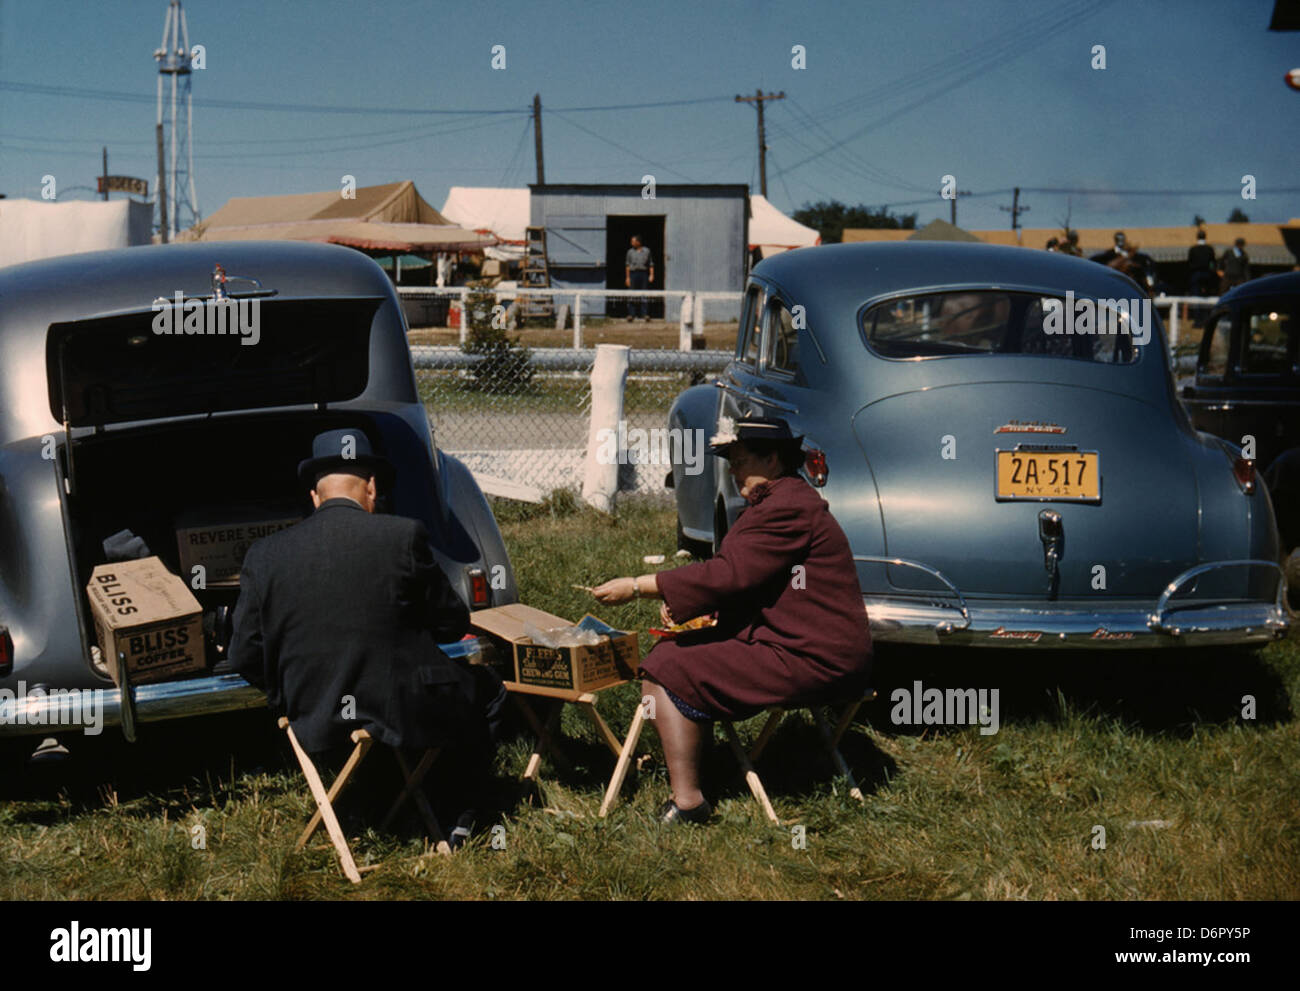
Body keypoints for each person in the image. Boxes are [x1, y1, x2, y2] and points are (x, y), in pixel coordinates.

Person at [591, 417, 872, 824]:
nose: (733, 470)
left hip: (813, 658)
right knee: (675, 651)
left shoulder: (787, 508)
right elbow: (755, 581)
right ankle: (703, 765)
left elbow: (729, 573)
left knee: (664, 667)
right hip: (807, 646)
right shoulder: (786, 500)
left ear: (772, 459)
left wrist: (638, 585)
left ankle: (689, 803)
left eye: (740, 461)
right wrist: (697, 608)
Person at [230, 428, 505, 840]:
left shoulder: (265, 554)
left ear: (315, 497)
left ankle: (377, 793)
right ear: (372, 487)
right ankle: (458, 810)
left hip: (315, 718)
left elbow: (244, 655)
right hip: (402, 711)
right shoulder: (402, 536)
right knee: (489, 689)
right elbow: (452, 623)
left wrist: (293, 692)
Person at [625, 234, 655, 321]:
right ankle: (631, 314)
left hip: (644, 274)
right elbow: (627, 265)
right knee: (631, 294)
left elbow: (651, 264)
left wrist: (651, 275)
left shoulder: (647, 251)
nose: (631, 243)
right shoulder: (630, 252)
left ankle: (645, 314)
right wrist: (627, 277)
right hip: (633, 274)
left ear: (638, 242)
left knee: (644, 294)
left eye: (633, 241)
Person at [1187, 230, 1217, 296]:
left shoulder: (1193, 249)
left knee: (1195, 293)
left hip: (1196, 273)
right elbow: (1213, 262)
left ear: (1197, 237)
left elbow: (1189, 262)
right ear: (1205, 237)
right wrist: (1212, 271)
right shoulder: (1209, 249)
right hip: (1207, 273)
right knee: (1208, 293)